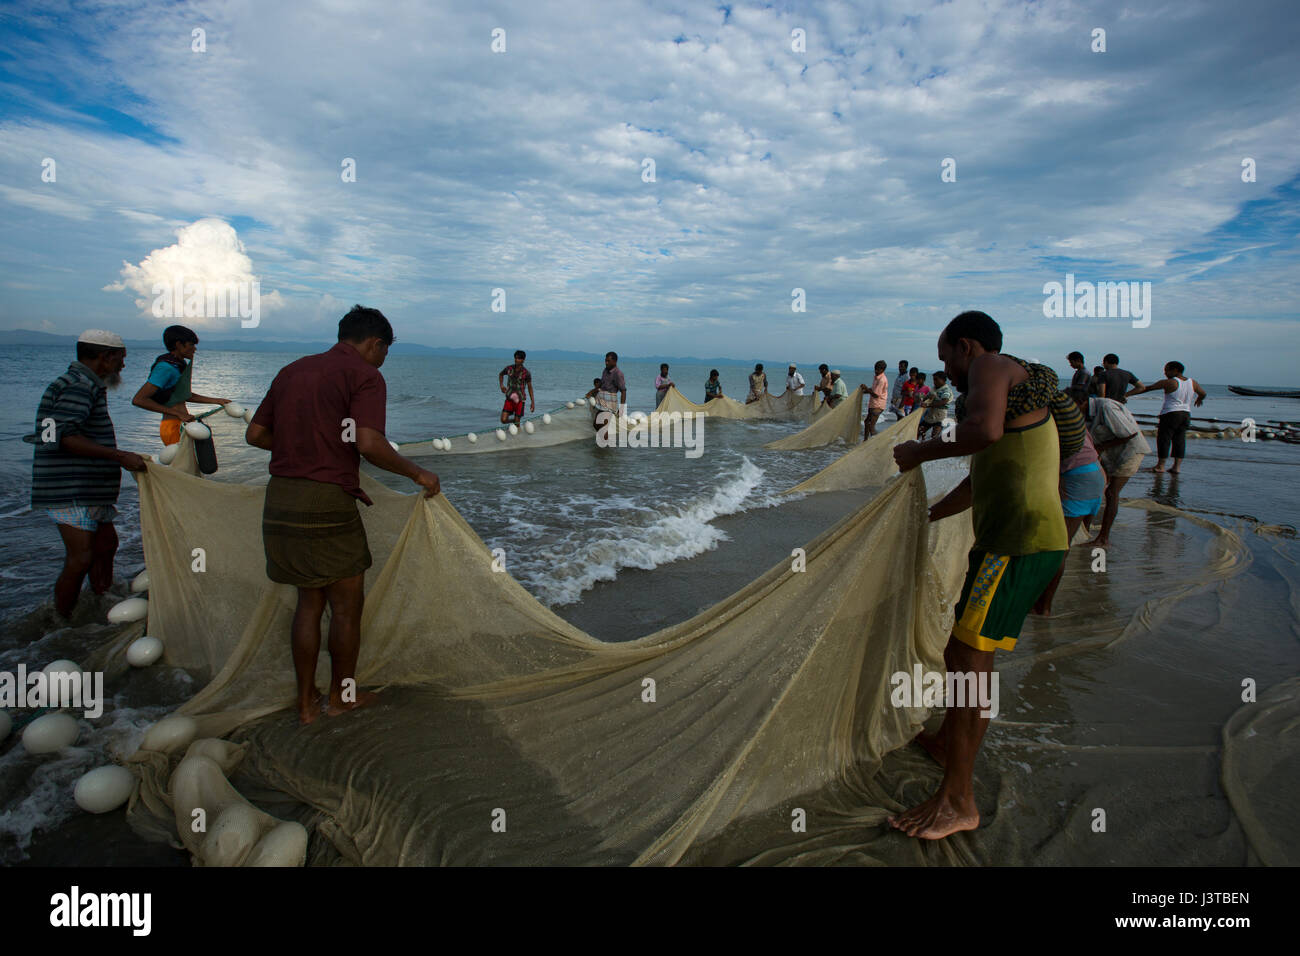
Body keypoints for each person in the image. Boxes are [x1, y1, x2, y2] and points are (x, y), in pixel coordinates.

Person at [891, 310, 1068, 840]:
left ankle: (958, 799)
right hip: (1015, 544)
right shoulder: (1011, 389)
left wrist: (919, 451)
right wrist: (923, 517)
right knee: (963, 654)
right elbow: (977, 484)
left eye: (946, 355)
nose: (945, 365)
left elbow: (982, 431)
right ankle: (950, 742)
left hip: (1018, 545)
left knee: (970, 660)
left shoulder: (992, 364)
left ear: (967, 346)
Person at [245, 305, 441, 725]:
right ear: (375, 343)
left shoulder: (292, 371)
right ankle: (341, 697)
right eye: (384, 351)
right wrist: (417, 472)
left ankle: (305, 704)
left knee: (308, 603)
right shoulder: (365, 375)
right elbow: (369, 443)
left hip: (279, 499)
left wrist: (302, 450)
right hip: (326, 501)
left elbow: (256, 434)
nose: (383, 360)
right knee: (347, 605)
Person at [30, 330, 148, 619]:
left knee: (106, 545)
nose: (123, 366)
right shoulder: (79, 386)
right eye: (121, 359)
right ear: (105, 358)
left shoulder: (77, 382)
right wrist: (120, 457)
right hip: (72, 488)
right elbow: (64, 437)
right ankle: (61, 622)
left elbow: (50, 434)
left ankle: (102, 601)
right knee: (80, 557)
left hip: (85, 487)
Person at [1032, 424, 1104, 616]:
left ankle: (1043, 607)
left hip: (1078, 480)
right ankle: (1041, 602)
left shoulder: (1046, 421)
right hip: (1092, 474)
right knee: (1060, 543)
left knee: (1057, 548)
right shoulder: (1067, 416)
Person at [131, 325, 232, 445]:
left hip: (181, 425)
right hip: (172, 427)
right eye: (191, 345)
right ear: (179, 345)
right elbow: (139, 400)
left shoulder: (178, 365)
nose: (194, 349)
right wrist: (178, 413)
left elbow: (183, 395)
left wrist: (217, 401)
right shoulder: (165, 368)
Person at [1083, 394, 1150, 548]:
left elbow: (1129, 434)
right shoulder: (1088, 412)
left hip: (1130, 452)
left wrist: (1100, 448)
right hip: (1110, 454)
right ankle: (1084, 530)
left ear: (1081, 402)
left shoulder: (1107, 407)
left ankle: (1103, 538)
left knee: (1112, 493)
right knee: (1095, 488)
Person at [1128, 361, 1206, 474]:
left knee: (1164, 439)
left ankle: (1160, 466)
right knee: (1179, 440)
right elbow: (1203, 393)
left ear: (1175, 370)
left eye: (1167, 370)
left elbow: (1147, 388)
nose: (1165, 372)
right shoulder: (1192, 382)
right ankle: (1176, 467)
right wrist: (1199, 399)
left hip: (1171, 414)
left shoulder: (1169, 382)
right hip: (1186, 414)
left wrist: (1127, 394)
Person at [498, 350, 534, 425]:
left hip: (520, 400)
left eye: (518, 358)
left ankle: (517, 425)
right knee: (503, 420)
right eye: (515, 358)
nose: (516, 360)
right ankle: (514, 421)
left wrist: (532, 402)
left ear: (523, 360)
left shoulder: (526, 373)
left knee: (517, 425)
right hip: (509, 399)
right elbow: (501, 374)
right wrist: (501, 386)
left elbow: (530, 387)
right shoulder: (509, 368)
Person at [592, 352, 627, 426]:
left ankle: (606, 437)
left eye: (608, 361)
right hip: (602, 402)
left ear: (614, 361)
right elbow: (601, 384)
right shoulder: (605, 370)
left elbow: (623, 391)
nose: (606, 363)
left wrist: (621, 409)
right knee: (596, 425)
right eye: (605, 361)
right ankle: (606, 437)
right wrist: (592, 392)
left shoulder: (618, 374)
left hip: (610, 404)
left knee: (603, 427)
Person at [919, 371, 954, 439]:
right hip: (930, 416)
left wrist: (928, 405)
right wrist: (921, 397)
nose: (934, 382)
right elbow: (926, 397)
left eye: (936, 379)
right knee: (919, 431)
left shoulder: (946, 390)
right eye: (933, 380)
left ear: (943, 380)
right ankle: (922, 444)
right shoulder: (934, 389)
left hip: (940, 417)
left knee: (934, 436)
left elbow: (944, 401)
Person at [863, 360, 890, 439]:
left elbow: (876, 395)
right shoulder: (877, 378)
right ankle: (865, 441)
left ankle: (876, 443)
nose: (876, 371)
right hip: (873, 404)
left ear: (883, 370)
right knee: (867, 422)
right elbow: (873, 390)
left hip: (878, 405)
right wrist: (864, 391)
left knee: (871, 426)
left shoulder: (881, 380)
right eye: (875, 369)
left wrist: (866, 389)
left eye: (878, 369)